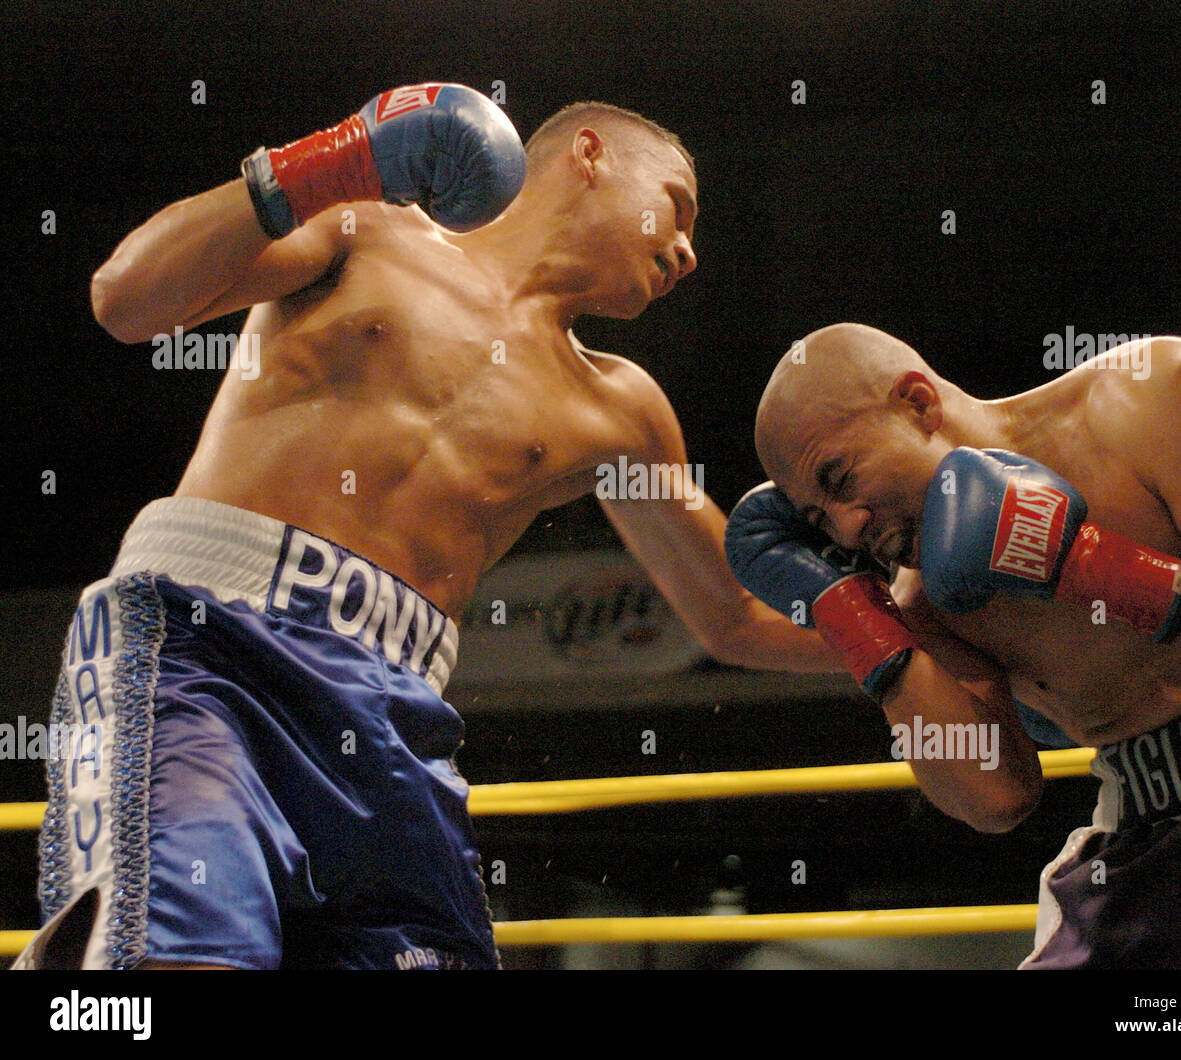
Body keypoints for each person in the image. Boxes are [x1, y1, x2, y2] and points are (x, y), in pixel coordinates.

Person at [18, 83, 836, 971]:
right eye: (676, 209)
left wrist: (915, 634)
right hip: (212, 643)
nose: (687, 250)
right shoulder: (367, 229)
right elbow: (127, 298)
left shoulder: (621, 409)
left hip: (395, 712)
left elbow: (731, 615)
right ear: (588, 154)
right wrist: (332, 160)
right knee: (172, 958)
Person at [726, 321, 1181, 969]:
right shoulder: (924, 602)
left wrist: (1085, 564)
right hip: (1142, 847)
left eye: (840, 479)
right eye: (819, 521)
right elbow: (993, 797)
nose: (850, 527)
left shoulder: (1146, 399)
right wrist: (860, 623)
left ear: (918, 403)